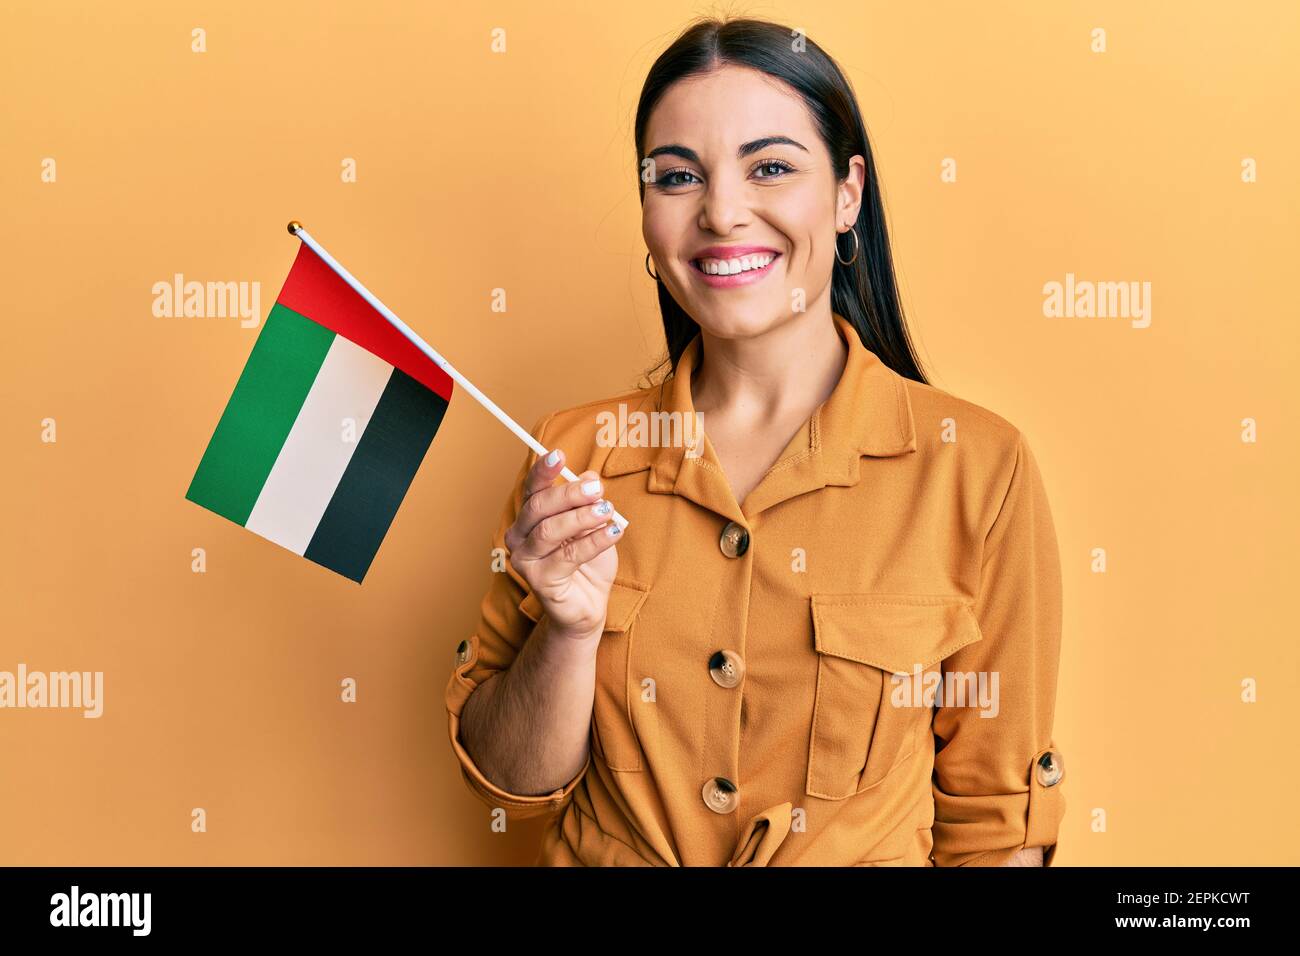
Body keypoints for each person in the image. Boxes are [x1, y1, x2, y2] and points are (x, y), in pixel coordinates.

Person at [444, 16, 1066, 866]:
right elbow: (509, 786)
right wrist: (568, 632)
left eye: (770, 166)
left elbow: (998, 825)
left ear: (848, 194)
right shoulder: (573, 457)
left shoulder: (977, 469)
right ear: (646, 211)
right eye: (677, 177)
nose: (723, 212)